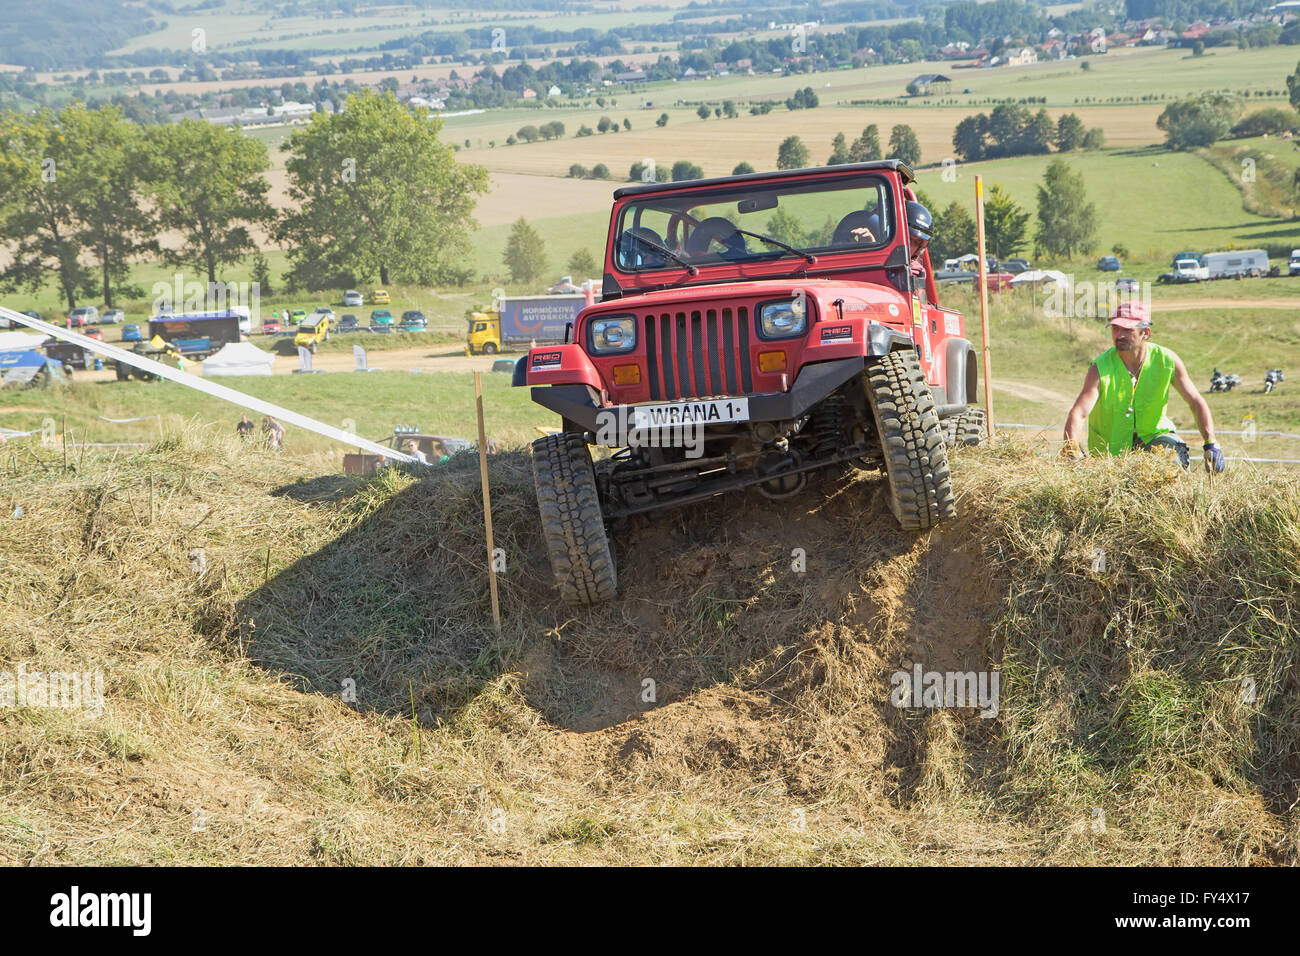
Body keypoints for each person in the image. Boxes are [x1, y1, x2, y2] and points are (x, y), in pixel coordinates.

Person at [1063, 302, 1225, 473]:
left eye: (1127, 330)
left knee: (1171, 466)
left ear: (1145, 333)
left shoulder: (1167, 360)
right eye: (1115, 329)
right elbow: (1079, 412)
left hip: (1155, 438)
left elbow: (1195, 401)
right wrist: (1070, 447)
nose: (1119, 335)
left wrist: (1211, 443)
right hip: (1111, 450)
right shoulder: (1099, 368)